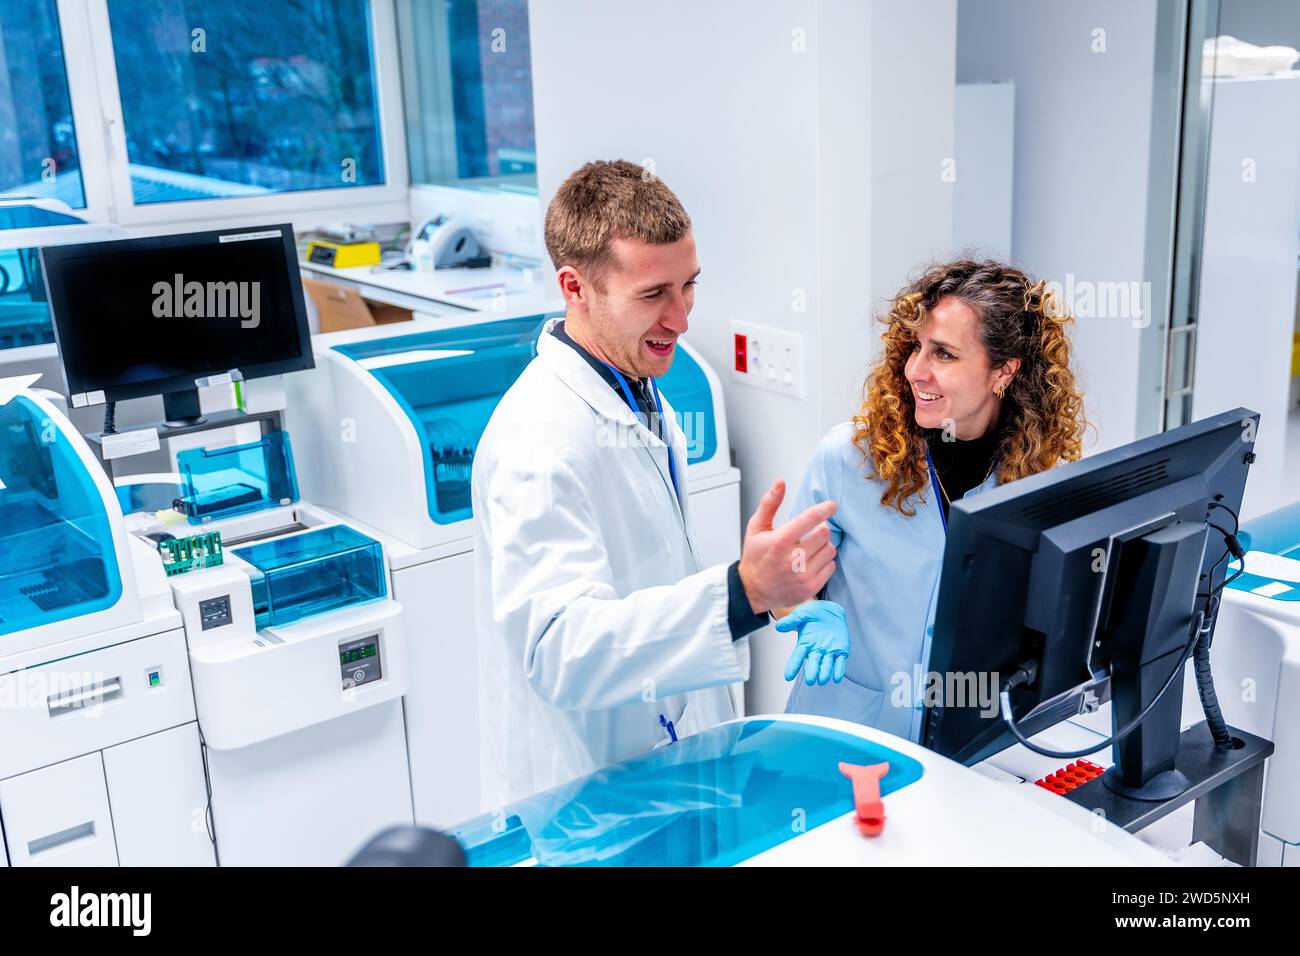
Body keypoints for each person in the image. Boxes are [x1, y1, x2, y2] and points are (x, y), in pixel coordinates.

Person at [472, 160, 838, 807]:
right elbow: (561, 649)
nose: (682, 317)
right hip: (584, 786)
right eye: (652, 296)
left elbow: (650, 575)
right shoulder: (540, 441)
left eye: (688, 285)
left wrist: (764, 595)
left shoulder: (638, 393)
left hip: (662, 758)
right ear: (575, 287)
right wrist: (740, 593)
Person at [779, 259, 1087, 739]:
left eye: (943, 354)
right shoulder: (849, 458)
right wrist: (804, 612)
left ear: (1002, 372)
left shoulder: (1037, 479)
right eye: (916, 347)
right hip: (844, 729)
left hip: (960, 739)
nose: (916, 371)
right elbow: (782, 581)